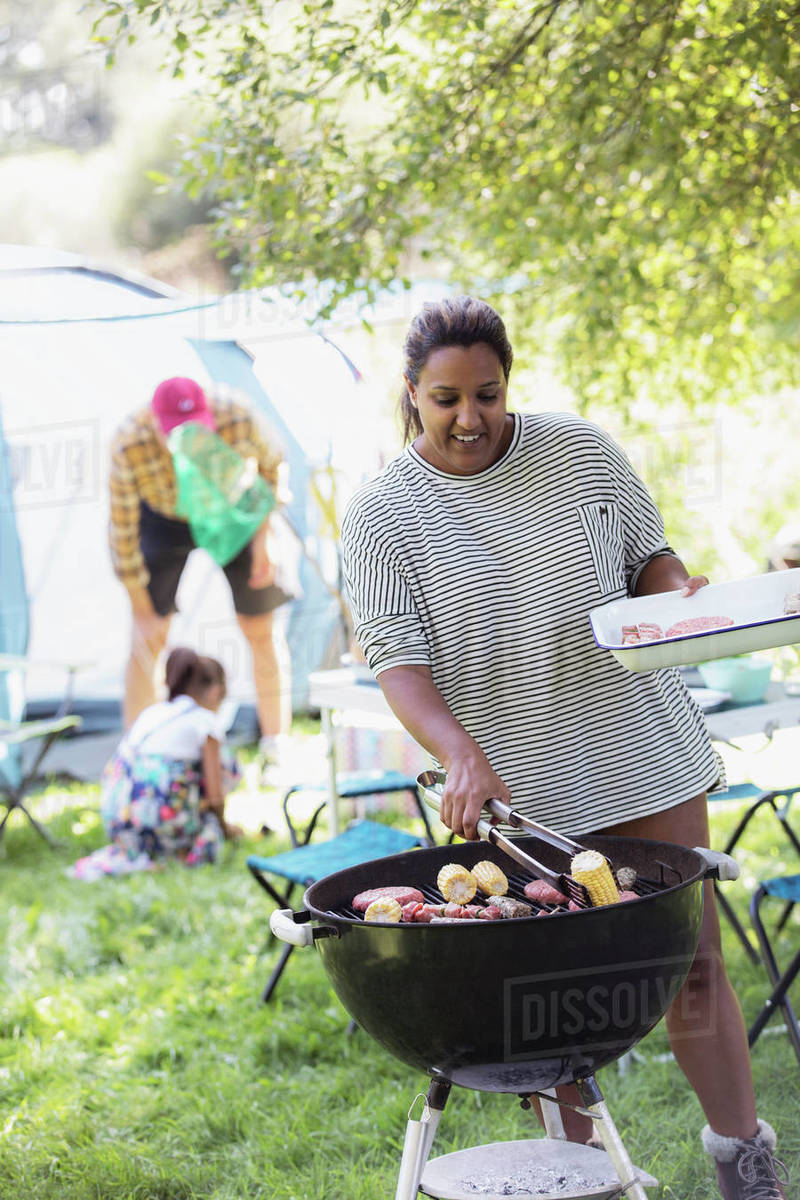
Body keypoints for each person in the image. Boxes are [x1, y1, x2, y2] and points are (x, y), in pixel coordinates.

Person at [340, 296, 788, 1200]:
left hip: (639, 745)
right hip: (518, 784)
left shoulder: (580, 451)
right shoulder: (383, 512)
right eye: (446, 398)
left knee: (694, 967)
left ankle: (750, 1170)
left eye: (488, 393)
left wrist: (672, 597)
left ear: (510, 382)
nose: (470, 417)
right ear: (412, 394)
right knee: (555, 1001)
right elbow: (397, 660)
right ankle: (585, 1183)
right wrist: (460, 756)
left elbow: (648, 559)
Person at [108, 376, 293, 766]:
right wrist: (142, 608)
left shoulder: (238, 414)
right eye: (179, 434)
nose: (190, 440)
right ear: (154, 425)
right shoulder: (129, 441)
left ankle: (277, 745)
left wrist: (264, 539)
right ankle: (137, 754)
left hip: (230, 510)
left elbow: (273, 469)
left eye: (198, 430)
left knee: (260, 627)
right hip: (164, 514)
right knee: (149, 637)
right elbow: (123, 537)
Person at [72, 648, 241, 879]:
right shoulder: (205, 721)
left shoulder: (152, 713)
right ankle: (183, 844)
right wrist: (223, 827)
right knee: (227, 766)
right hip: (165, 826)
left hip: (120, 824)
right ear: (215, 692)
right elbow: (215, 797)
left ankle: (141, 850)